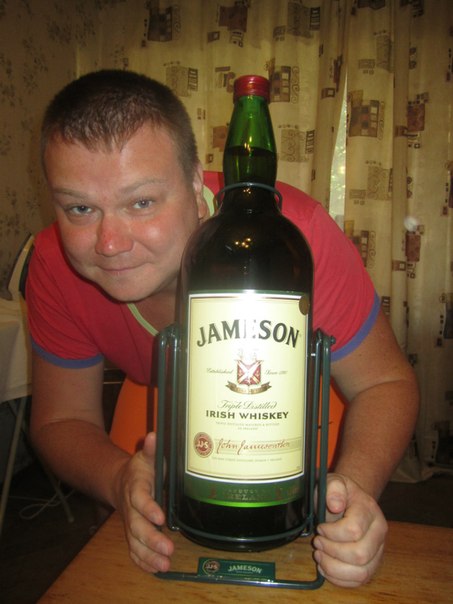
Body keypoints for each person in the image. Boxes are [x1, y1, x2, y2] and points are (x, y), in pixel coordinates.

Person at [27, 69, 419, 588]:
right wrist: (119, 478)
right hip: (156, 392)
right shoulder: (53, 260)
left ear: (195, 184)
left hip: (290, 398)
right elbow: (61, 419)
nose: (110, 243)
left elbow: (385, 382)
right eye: (80, 208)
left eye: (141, 202)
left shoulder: (293, 237)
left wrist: (355, 490)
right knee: (126, 547)